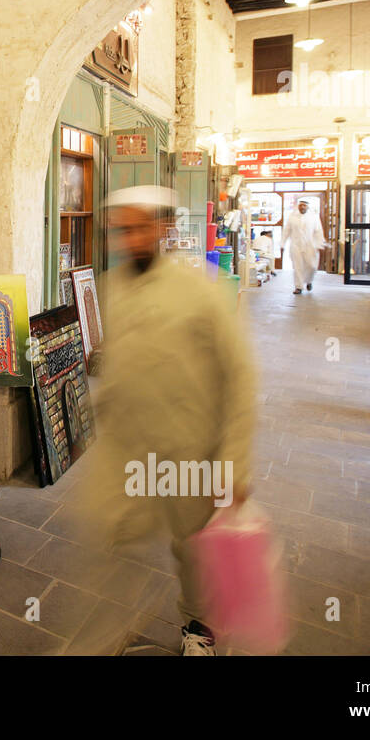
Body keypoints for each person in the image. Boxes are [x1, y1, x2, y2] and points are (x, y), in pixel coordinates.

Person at [79, 185, 256, 655]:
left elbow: (239, 376)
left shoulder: (199, 290)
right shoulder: (114, 285)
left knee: (193, 548)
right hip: (128, 448)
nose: (132, 239)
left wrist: (234, 463)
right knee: (116, 539)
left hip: (190, 450)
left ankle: (200, 628)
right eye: (122, 229)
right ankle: (106, 632)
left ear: (162, 229)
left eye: (141, 228)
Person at [280, 199, 327, 295]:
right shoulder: (292, 217)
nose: (302, 207)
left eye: (304, 205)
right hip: (296, 245)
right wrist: (282, 243)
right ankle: (298, 287)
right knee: (298, 267)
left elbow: (318, 232)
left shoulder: (314, 217)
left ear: (307, 207)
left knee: (312, 266)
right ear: (298, 206)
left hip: (310, 246)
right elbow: (286, 231)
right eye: (300, 205)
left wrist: (319, 244)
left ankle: (309, 281)